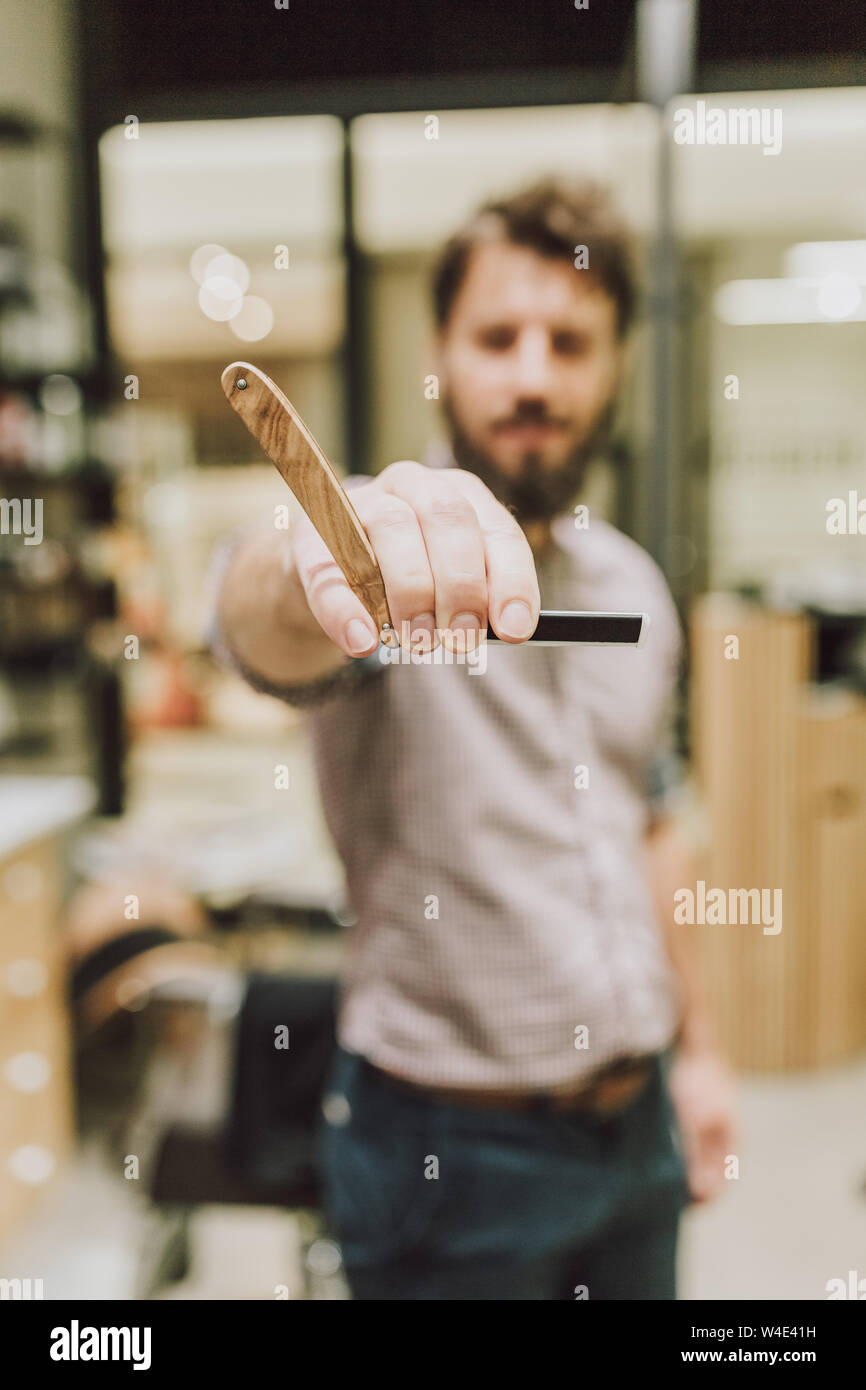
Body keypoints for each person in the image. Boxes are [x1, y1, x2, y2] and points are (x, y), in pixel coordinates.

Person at [210, 179, 737, 1300]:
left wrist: (699, 1053)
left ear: (616, 364)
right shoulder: (379, 566)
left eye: (569, 341)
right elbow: (261, 620)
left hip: (633, 1134)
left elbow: (651, 821)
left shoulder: (633, 584)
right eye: (497, 337)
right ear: (441, 352)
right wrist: (317, 558)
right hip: (443, 1159)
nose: (533, 375)